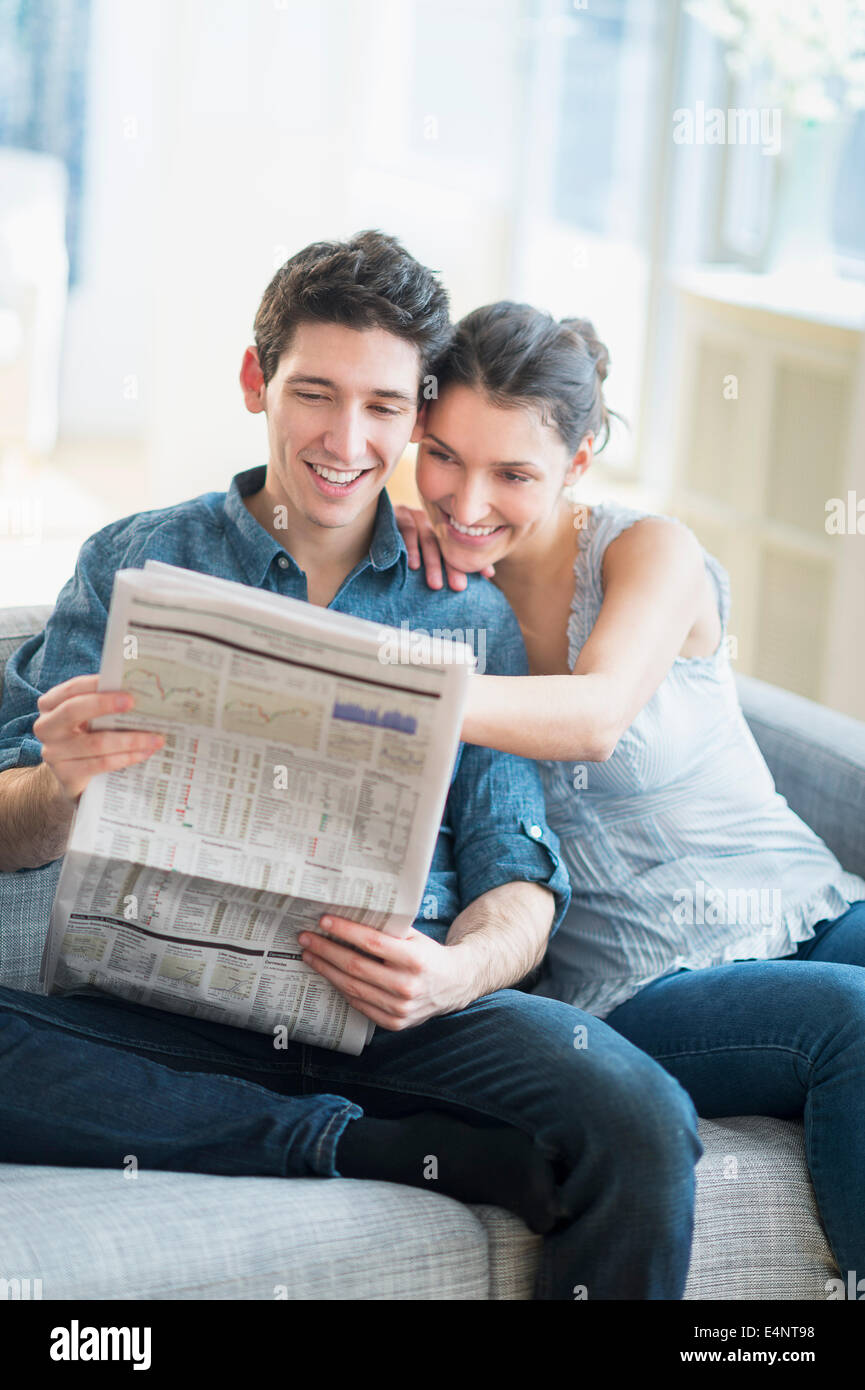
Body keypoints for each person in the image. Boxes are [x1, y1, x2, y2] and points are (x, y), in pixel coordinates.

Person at [0, 235, 702, 1301]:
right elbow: (11, 822)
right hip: (157, 1013)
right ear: (256, 382)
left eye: (382, 406)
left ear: (417, 416)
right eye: (314, 394)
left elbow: (517, 865)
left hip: (390, 1021)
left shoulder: (465, 608)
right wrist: (61, 783)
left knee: (641, 1119)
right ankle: (344, 1143)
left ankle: (353, 1115)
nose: (344, 437)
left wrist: (457, 973)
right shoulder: (135, 560)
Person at [395, 299, 865, 1284]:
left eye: (512, 473)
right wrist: (387, 579)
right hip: (641, 983)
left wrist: (392, 686)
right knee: (852, 1022)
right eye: (442, 455)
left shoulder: (647, 551)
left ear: (578, 459)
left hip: (805, 904)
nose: (466, 499)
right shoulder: (415, 581)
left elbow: (597, 711)